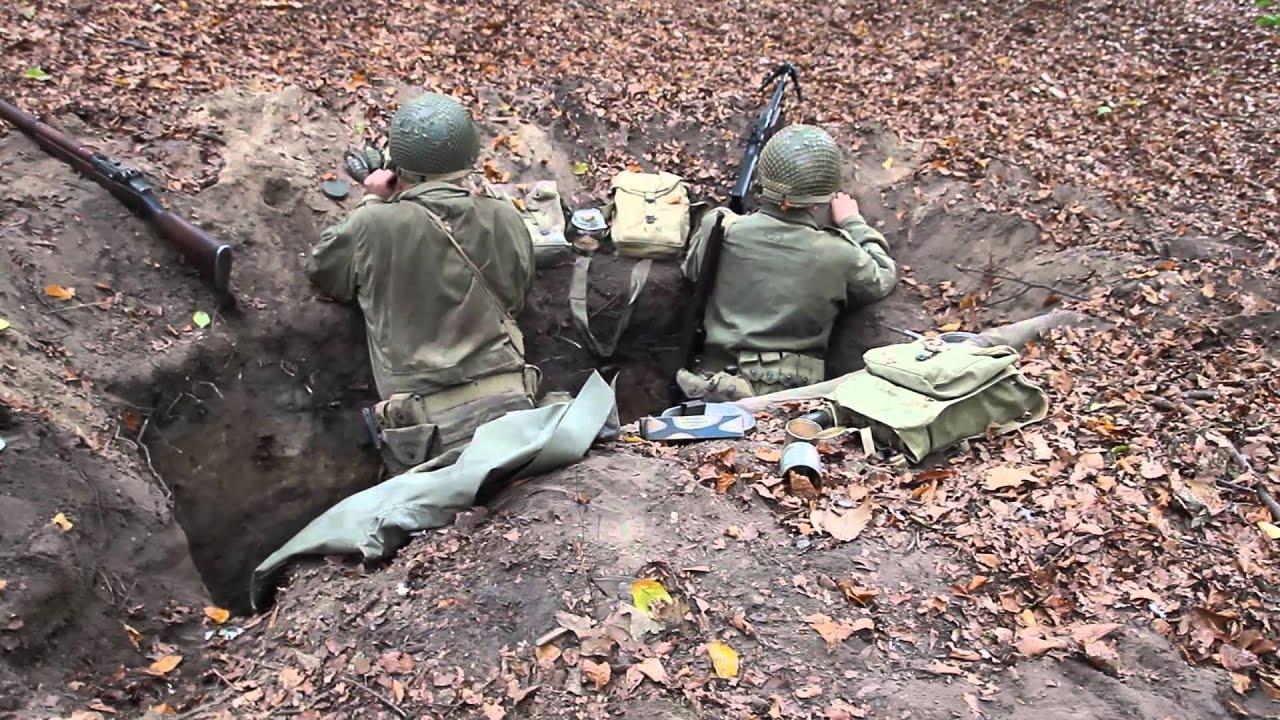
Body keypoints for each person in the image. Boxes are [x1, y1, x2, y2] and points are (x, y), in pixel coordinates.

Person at [306, 92, 538, 474]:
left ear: (397, 162)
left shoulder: (372, 225)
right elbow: (517, 294)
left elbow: (327, 274)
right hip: (515, 413)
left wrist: (375, 202)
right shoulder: (506, 220)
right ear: (469, 158)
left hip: (427, 434)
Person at [678, 123, 898, 402]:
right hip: (794, 397)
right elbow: (882, 277)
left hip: (712, 385)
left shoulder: (720, 226)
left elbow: (692, 272)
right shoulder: (838, 253)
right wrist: (853, 222)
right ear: (824, 191)